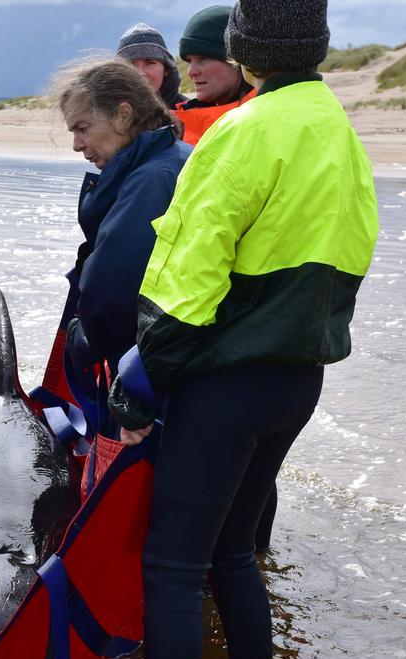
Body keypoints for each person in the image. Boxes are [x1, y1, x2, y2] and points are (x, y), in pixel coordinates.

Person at [107, 0, 379, 659]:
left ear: (243, 43)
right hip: (298, 379)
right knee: (232, 553)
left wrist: (141, 382)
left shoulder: (244, 129)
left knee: (172, 565)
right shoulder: (335, 129)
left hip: (227, 380)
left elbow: (185, 269)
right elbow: (355, 247)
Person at [51, 59, 190, 437]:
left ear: (124, 114)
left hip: (149, 375)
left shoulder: (152, 179)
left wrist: (81, 342)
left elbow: (111, 290)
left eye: (83, 128)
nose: (77, 144)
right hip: (172, 365)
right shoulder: (174, 158)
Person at [174, 4, 257, 146]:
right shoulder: (178, 130)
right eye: (189, 61)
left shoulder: (261, 122)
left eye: (203, 58)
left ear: (236, 61)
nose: (191, 71)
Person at [116, 23, 187, 110]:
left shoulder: (191, 112)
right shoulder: (104, 114)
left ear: (166, 69)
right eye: (131, 65)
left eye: (150, 63)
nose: (140, 73)